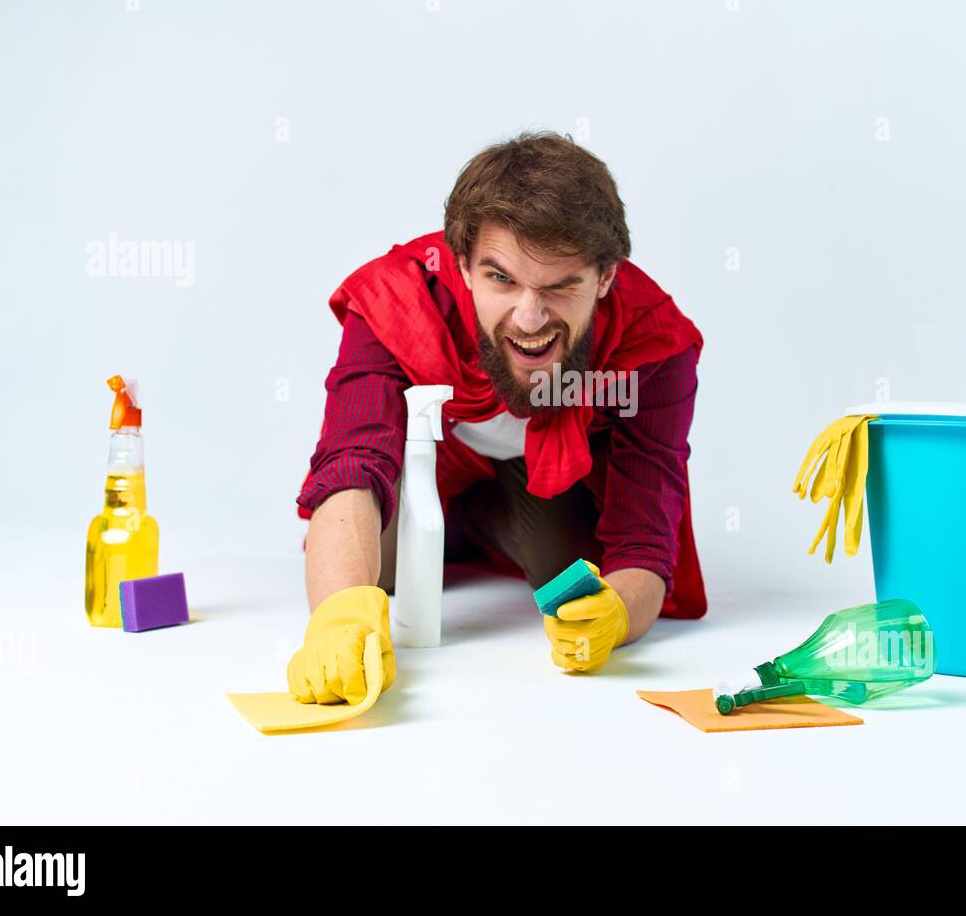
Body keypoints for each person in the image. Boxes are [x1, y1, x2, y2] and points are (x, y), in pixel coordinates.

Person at [286, 132, 705, 705]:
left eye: (561, 285)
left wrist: (619, 613)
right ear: (463, 265)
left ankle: (480, 525)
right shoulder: (403, 297)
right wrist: (334, 618)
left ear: (606, 277)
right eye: (502, 279)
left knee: (570, 575)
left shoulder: (651, 341)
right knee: (372, 576)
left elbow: (644, 542)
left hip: (543, 485)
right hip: (419, 471)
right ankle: (436, 531)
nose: (529, 319)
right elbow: (351, 458)